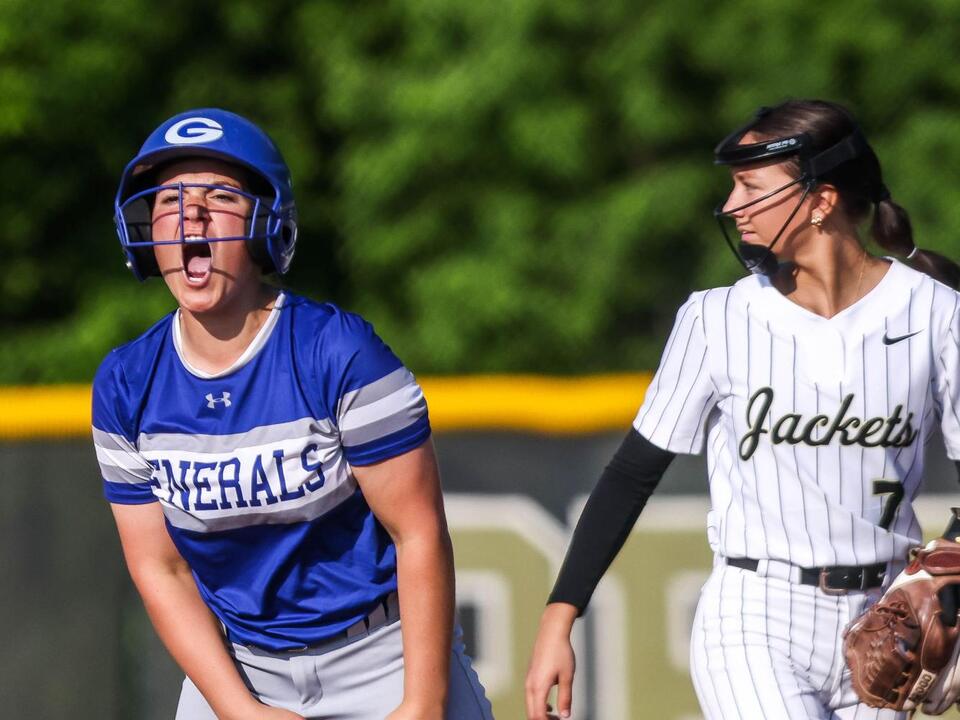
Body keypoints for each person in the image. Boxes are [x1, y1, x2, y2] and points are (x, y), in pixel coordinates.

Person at [524, 99, 960, 720]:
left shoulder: (934, 312)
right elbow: (632, 473)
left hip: (889, 620)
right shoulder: (717, 318)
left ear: (821, 199)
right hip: (757, 613)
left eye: (750, 186)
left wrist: (945, 582)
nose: (731, 206)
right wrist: (558, 617)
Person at [93, 108, 494, 720]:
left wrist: (423, 701)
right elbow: (161, 567)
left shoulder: (336, 352)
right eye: (169, 199)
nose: (190, 215)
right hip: (240, 664)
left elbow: (418, 533)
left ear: (264, 223)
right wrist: (239, 710)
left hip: (383, 654)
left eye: (219, 195)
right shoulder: (126, 383)